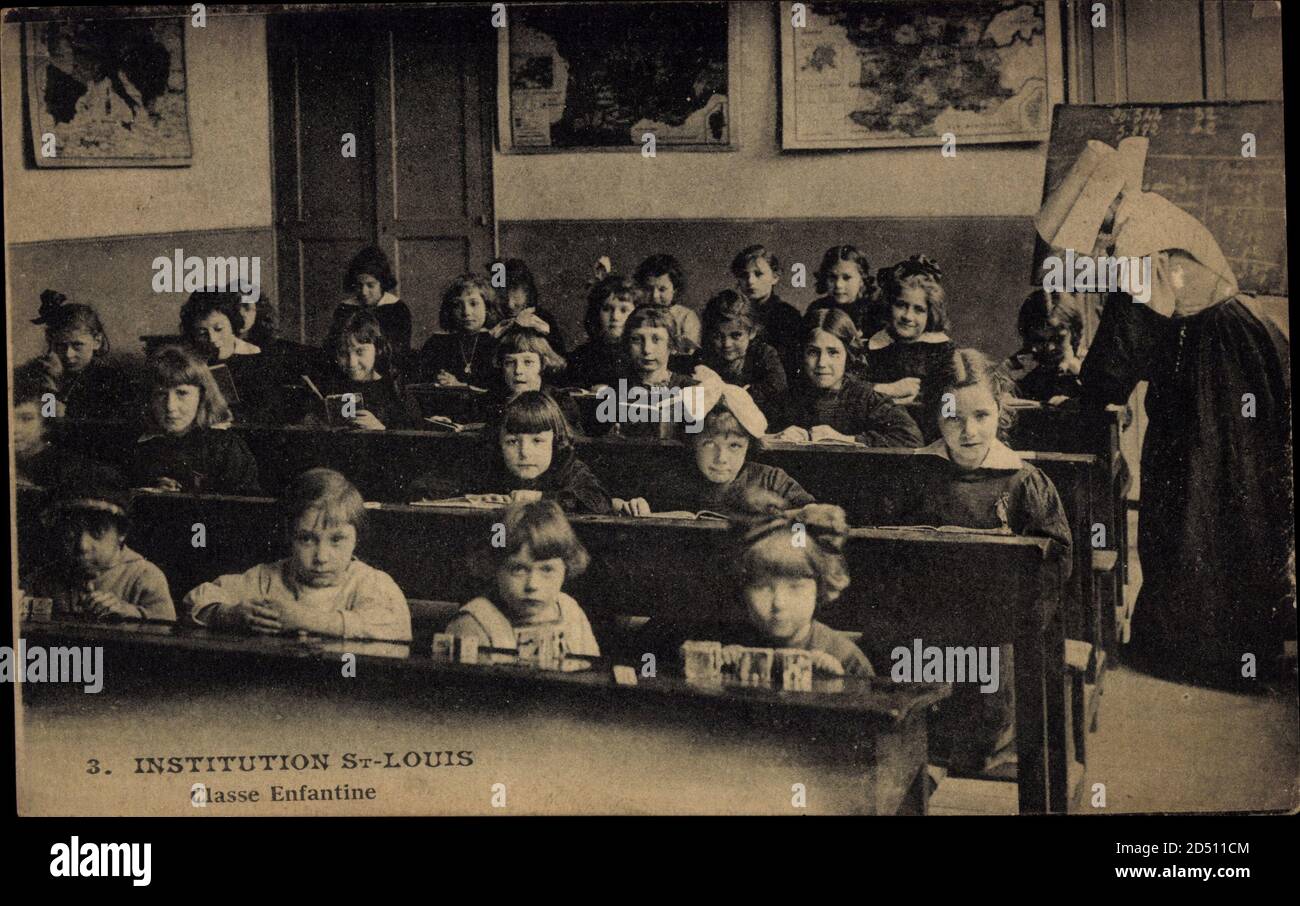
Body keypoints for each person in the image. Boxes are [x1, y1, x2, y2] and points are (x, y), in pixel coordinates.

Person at [1048, 164, 1294, 681]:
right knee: (1207, 492)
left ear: (1108, 209)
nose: (1096, 245)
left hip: (1221, 365)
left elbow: (1129, 335)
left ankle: (1208, 654)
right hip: (1225, 351)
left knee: (1202, 495)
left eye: (1094, 232)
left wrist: (1087, 388)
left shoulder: (1141, 238)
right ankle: (1233, 647)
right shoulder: (1149, 214)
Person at [897, 348, 1073, 773]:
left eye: (981, 416)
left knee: (987, 691)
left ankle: (981, 750)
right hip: (930, 616)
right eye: (952, 417)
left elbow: (1055, 557)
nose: (968, 431)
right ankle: (920, 753)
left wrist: (1020, 613)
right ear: (934, 416)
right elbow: (892, 550)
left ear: (1000, 411)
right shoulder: (917, 474)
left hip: (999, 621)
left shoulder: (1023, 480)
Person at [185, 468, 412, 642]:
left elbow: (396, 627)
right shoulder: (267, 578)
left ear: (357, 539)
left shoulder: (370, 583)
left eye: (337, 540)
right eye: (306, 539)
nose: (321, 557)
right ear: (289, 536)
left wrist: (303, 619)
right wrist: (229, 614)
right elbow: (196, 601)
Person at [612, 381, 814, 517]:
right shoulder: (667, 479)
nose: (721, 458)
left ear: (749, 446)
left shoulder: (772, 481)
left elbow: (817, 516)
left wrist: (791, 520)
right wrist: (633, 507)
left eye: (734, 446)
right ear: (692, 442)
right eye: (709, 444)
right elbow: (618, 503)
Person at [409, 391, 611, 514]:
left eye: (537, 441)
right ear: (499, 443)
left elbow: (599, 502)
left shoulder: (568, 467)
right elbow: (422, 487)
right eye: (512, 441)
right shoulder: (487, 464)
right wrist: (473, 497)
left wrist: (540, 498)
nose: (524, 452)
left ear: (555, 441)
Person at [444, 499, 601, 657]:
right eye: (518, 569)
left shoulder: (570, 611)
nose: (532, 584)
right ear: (494, 566)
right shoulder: (474, 623)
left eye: (547, 569)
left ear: (566, 567)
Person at [25, 469, 175, 622]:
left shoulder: (144, 576)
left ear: (122, 533)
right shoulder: (43, 579)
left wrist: (132, 612)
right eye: (71, 532)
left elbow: (168, 630)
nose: (82, 546)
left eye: (97, 532)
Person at [769, 308, 923, 447]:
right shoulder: (787, 398)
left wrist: (845, 440)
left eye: (833, 352)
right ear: (801, 354)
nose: (822, 363)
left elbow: (911, 439)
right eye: (813, 352)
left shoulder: (865, 397)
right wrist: (777, 438)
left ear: (848, 356)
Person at [130, 346, 262, 495]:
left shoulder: (225, 447)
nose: (170, 406)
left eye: (182, 393)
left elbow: (245, 507)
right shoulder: (138, 445)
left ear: (202, 396)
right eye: (161, 394)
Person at [865, 255, 955, 438]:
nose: (908, 316)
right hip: (880, 433)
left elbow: (950, 404)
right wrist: (887, 390)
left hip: (930, 433)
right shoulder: (874, 348)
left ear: (931, 314)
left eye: (919, 309)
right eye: (901, 305)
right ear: (889, 305)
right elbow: (854, 392)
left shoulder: (942, 351)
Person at [32, 292, 136, 419]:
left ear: (97, 341)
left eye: (77, 345)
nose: (68, 354)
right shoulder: (40, 374)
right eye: (60, 345)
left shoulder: (113, 381)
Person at [695, 289, 788, 420]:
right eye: (718, 336)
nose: (726, 344)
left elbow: (777, 384)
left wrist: (734, 396)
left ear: (752, 332)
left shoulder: (764, 353)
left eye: (736, 335)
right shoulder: (705, 356)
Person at [730, 244, 804, 381]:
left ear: (775, 277)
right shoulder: (731, 313)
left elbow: (791, 366)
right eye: (744, 275)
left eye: (758, 274)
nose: (750, 281)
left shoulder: (787, 316)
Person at [417, 274, 501, 388]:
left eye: (473, 303)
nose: (466, 312)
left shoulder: (498, 342)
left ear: (487, 307)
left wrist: (459, 385)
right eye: (457, 305)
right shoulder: (436, 344)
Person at [329, 245, 413, 358]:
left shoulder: (397, 309)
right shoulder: (344, 308)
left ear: (382, 283)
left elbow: (399, 352)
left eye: (370, 285)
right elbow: (334, 347)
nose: (364, 292)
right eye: (359, 285)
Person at [486, 257, 567, 354]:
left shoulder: (543, 319)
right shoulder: (492, 321)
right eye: (503, 298)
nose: (510, 305)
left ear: (527, 292)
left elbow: (560, 359)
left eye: (516, 298)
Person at [635, 253, 701, 355]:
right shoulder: (637, 314)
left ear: (675, 289)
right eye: (648, 289)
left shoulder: (686, 317)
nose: (655, 296)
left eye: (662, 289)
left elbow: (689, 352)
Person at [805, 245, 877, 337]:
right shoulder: (816, 309)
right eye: (832, 277)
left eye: (846, 278)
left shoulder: (874, 312)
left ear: (862, 279)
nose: (838, 284)